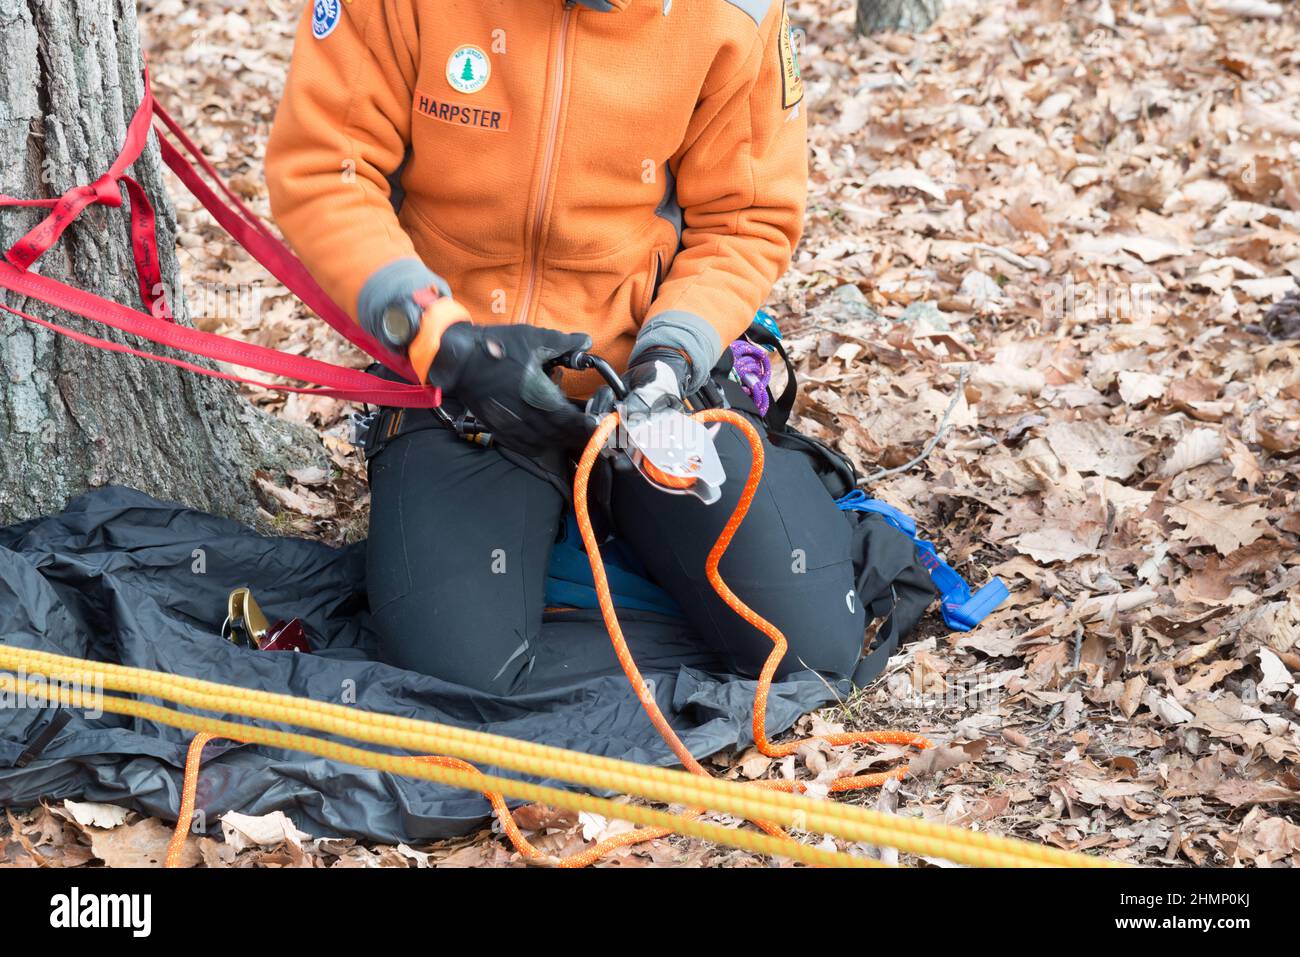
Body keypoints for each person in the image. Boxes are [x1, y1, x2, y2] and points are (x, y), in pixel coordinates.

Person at [265, 0, 867, 694]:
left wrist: (670, 357)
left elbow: (746, 216)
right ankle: (577, 555)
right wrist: (447, 345)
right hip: (465, 384)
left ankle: (612, 532)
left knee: (808, 650)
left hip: (644, 374)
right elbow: (327, 171)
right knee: (463, 679)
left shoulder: (737, 11)